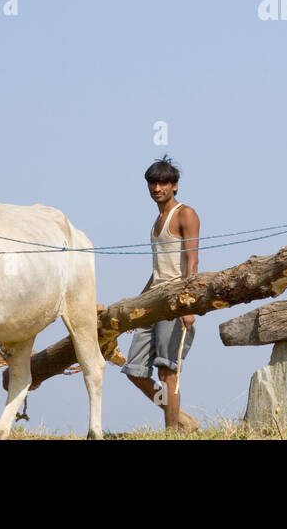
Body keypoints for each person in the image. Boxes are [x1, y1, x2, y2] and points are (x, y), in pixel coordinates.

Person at [121, 155, 201, 431]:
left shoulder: (185, 214)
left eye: (163, 183)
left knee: (168, 371)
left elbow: (192, 260)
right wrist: (137, 306)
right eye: (153, 183)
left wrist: (188, 304)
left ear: (175, 186)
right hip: (154, 301)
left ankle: (171, 433)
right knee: (134, 370)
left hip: (176, 301)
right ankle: (182, 420)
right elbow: (158, 271)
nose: (157, 188)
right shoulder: (156, 223)